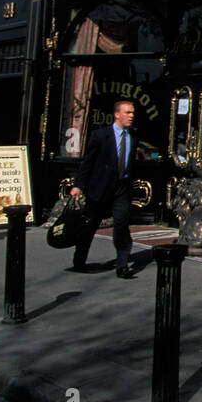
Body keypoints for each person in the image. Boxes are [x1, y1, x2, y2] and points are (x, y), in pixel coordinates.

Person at [71, 100, 138, 278]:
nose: (131, 116)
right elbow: (87, 162)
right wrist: (78, 185)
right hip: (100, 188)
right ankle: (79, 259)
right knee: (89, 226)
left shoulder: (133, 136)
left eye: (132, 113)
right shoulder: (100, 135)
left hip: (121, 188)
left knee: (122, 225)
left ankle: (122, 265)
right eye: (128, 112)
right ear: (117, 114)